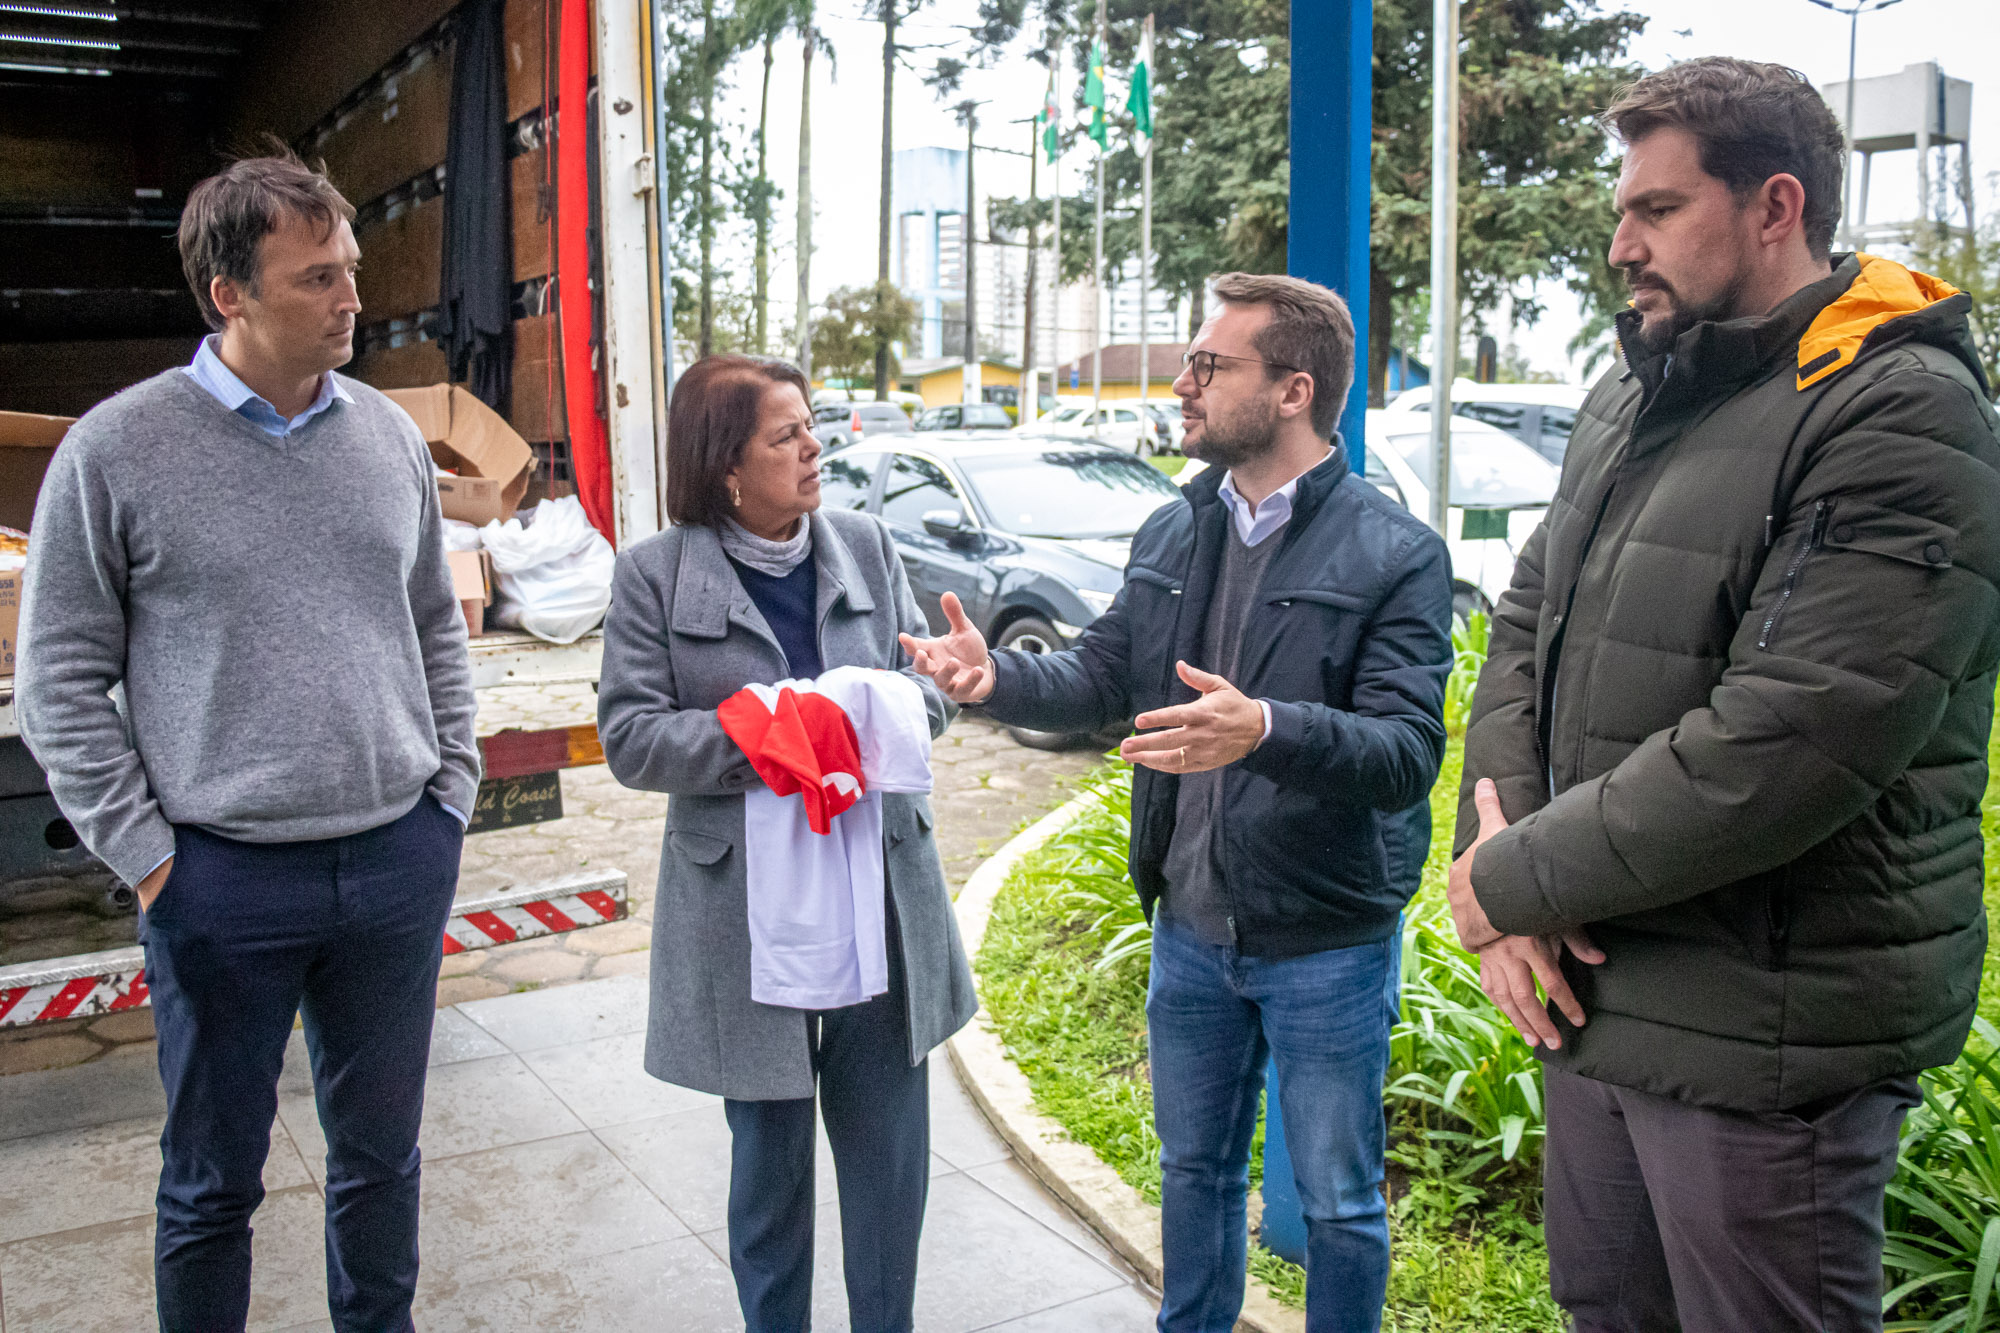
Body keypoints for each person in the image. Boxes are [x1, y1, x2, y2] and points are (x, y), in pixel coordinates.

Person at [1448, 58, 2000, 1333]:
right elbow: (1526, 625)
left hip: (1765, 1034)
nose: (1615, 242)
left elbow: (1794, 734)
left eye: (1654, 209)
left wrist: (1516, 880)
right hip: (1591, 991)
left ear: (1773, 207)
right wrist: (1512, 866)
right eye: (1619, 208)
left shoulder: (1894, 409)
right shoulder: (1633, 391)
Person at [902, 273, 1453, 1333]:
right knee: (1192, 1171)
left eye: (1209, 365)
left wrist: (1268, 730)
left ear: (1292, 390)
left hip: (1325, 940)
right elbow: (1104, 677)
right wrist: (995, 678)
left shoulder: (1396, 552)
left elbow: (1404, 752)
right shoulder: (1175, 528)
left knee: (1339, 1204)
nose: (1181, 382)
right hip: (1189, 929)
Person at [17, 153, 479, 1332]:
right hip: (223, 880)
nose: (352, 299)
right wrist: (154, 857)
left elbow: (434, 621)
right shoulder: (115, 453)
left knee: (383, 1163)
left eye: (353, 270)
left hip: (392, 864)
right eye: (318, 276)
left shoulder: (383, 437)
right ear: (230, 293)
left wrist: (450, 798)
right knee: (213, 1185)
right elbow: (59, 677)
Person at [596, 354, 975, 1333]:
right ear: (726, 463)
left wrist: (885, 710)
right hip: (745, 913)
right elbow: (632, 739)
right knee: (768, 1165)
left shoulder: (864, 544)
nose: (814, 449)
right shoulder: (653, 574)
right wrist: (764, 735)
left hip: (875, 892)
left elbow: (925, 691)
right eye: (785, 436)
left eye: (812, 427)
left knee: (888, 1156)